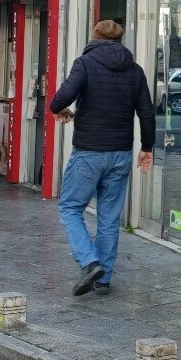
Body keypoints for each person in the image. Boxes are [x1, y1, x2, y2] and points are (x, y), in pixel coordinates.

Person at [50, 20, 155, 296]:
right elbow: (146, 111)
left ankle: (89, 262)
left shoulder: (85, 63)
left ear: (94, 38)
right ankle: (104, 279)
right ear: (119, 41)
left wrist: (62, 111)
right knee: (109, 218)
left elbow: (59, 100)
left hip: (89, 152)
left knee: (70, 208)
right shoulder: (135, 70)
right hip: (121, 154)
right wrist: (147, 147)